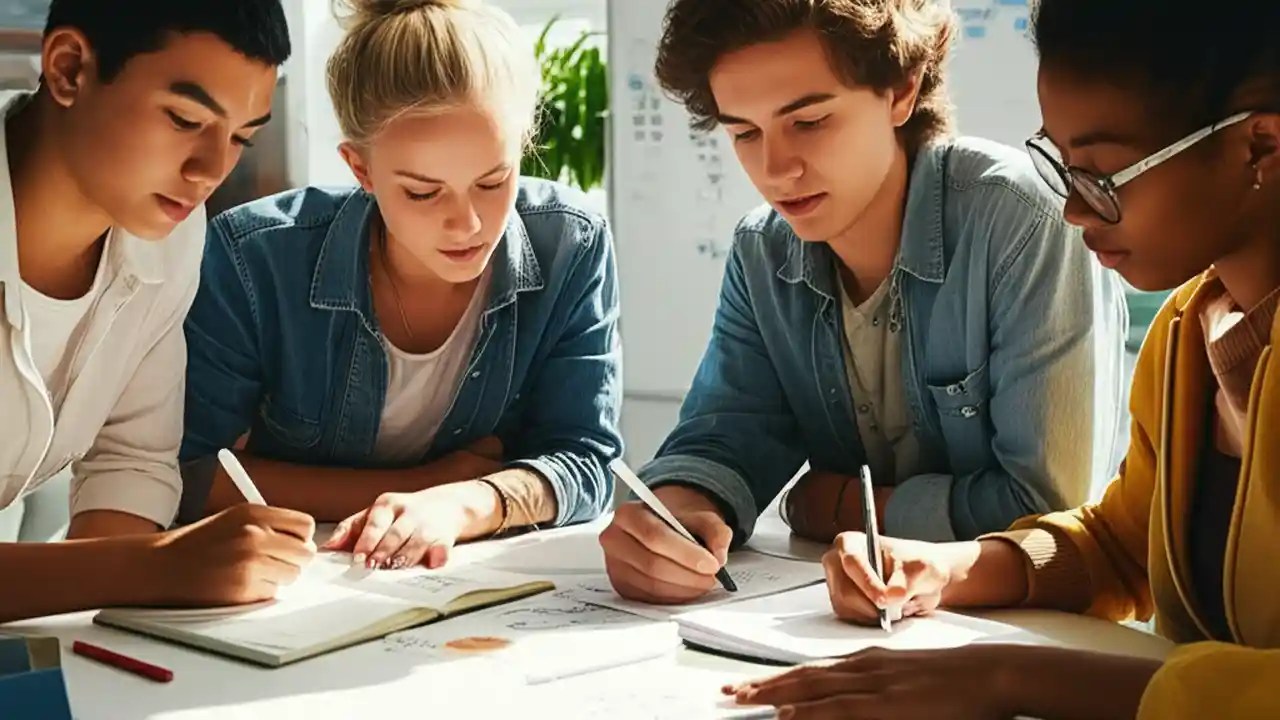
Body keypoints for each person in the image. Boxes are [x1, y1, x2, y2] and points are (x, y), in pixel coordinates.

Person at [726, 1, 1280, 718]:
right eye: (1063, 164)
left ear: (1259, 148)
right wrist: (950, 567)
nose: (1075, 212)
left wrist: (1006, 678)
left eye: (1104, 175)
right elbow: (1121, 544)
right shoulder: (1189, 332)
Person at [600, 0, 1127, 604]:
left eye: (809, 121)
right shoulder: (762, 253)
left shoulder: (1022, 220)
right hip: (842, 624)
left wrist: (836, 503)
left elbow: (1047, 515)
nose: (775, 170)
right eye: (744, 132)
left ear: (901, 91)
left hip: (1033, 633)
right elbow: (723, 439)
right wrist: (674, 512)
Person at [178, 0, 623, 571]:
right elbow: (189, 475)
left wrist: (464, 502)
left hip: (468, 585)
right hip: (295, 583)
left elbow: (587, 462)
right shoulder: (255, 256)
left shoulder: (571, 244)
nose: (468, 224)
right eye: (422, 192)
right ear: (360, 169)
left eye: (493, 180)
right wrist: (422, 483)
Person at [0, 0, 315, 624]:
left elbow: (130, 457)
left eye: (241, 137)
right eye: (184, 118)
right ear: (68, 69)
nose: (210, 171)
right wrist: (154, 566)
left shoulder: (168, 236)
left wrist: (104, 631)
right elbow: (138, 563)